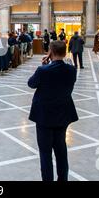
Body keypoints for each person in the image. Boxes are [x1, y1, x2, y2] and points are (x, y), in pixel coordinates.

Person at [27, 41, 78, 181]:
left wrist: (44, 66)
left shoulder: (43, 70)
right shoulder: (72, 70)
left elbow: (31, 83)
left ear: (51, 52)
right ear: (65, 51)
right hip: (63, 114)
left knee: (45, 153)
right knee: (61, 150)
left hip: (44, 116)